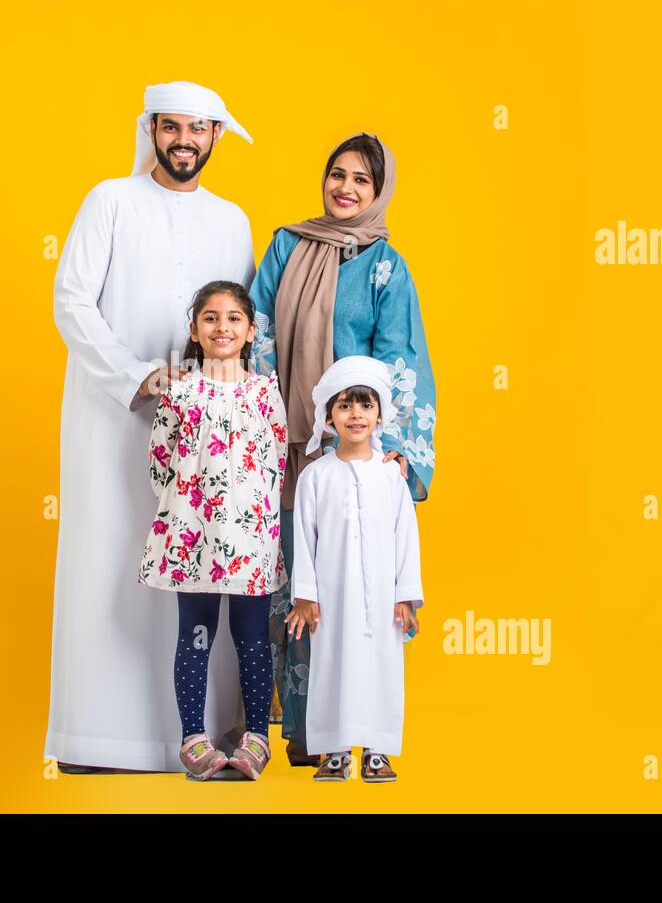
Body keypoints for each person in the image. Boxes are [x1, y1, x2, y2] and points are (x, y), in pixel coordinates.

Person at [46, 81, 256, 773]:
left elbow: (241, 324)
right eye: (172, 127)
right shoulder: (110, 200)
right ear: (152, 129)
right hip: (113, 420)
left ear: (216, 137)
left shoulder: (233, 219)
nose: (184, 141)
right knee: (107, 560)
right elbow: (72, 301)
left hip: (209, 439)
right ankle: (96, 741)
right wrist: (135, 376)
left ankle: (203, 740)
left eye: (198, 129)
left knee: (204, 567)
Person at [248, 132, 436, 766]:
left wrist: (388, 444)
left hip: (353, 451)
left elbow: (399, 361)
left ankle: (368, 732)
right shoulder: (285, 245)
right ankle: (307, 731)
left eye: (361, 179)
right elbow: (259, 336)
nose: (345, 189)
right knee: (295, 586)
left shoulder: (387, 266)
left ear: (379, 191)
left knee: (360, 588)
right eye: (337, 175)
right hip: (291, 448)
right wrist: (271, 424)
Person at [138, 280, 288, 780]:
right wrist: (186, 508)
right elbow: (159, 459)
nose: (222, 326)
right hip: (191, 537)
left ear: (249, 331)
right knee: (195, 636)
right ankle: (193, 739)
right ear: (195, 330)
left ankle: (257, 741)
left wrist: (254, 513)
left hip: (251, 540)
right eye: (210, 318)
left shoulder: (266, 391)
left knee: (252, 639)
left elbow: (278, 459)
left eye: (233, 318)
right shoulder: (179, 388)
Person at [284, 356, 423, 782]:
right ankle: (335, 750)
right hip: (332, 595)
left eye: (365, 405)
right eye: (345, 405)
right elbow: (303, 539)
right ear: (328, 416)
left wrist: (405, 594)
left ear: (380, 415)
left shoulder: (390, 478)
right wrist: (305, 594)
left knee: (383, 663)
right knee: (331, 665)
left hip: (383, 595)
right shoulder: (316, 477)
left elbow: (406, 538)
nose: (356, 414)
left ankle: (378, 750)